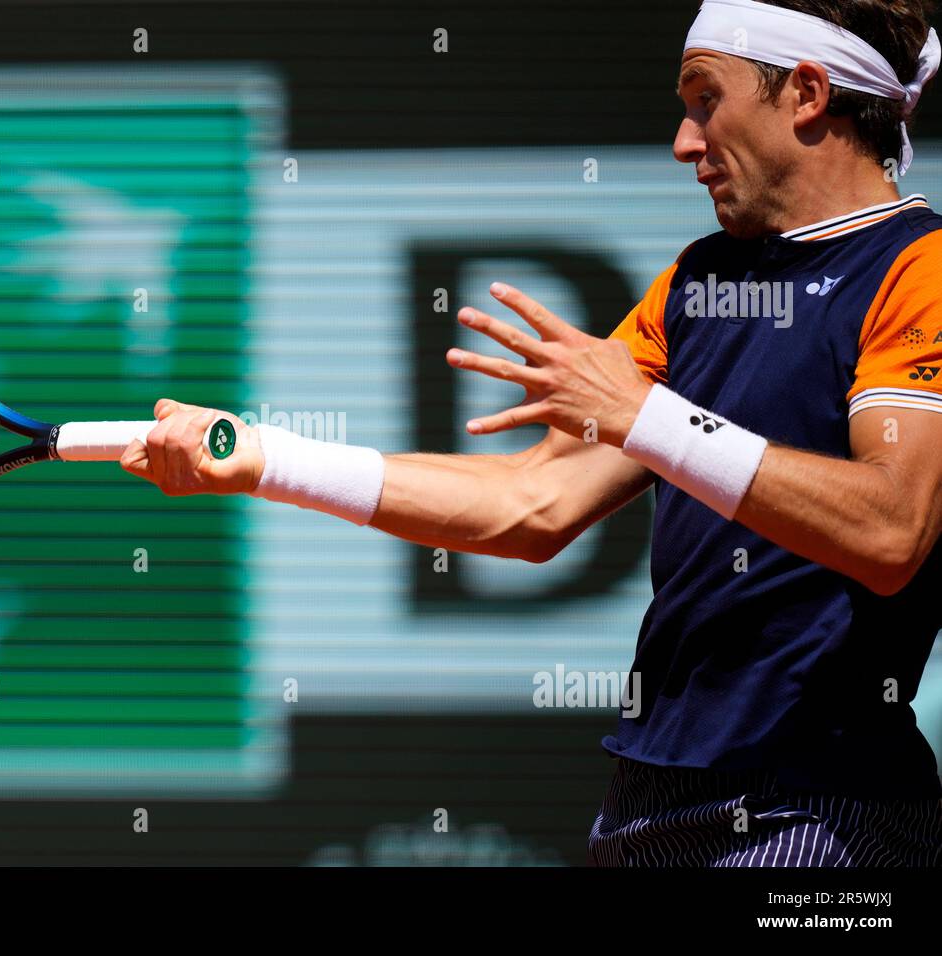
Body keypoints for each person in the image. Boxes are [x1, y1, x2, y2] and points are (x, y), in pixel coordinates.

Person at [122, 0, 942, 866]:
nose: (684, 141)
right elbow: (531, 502)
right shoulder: (698, 283)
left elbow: (892, 529)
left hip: (819, 814)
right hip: (646, 802)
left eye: (706, 99)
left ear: (807, 94)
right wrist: (266, 458)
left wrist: (648, 417)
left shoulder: (920, 269)